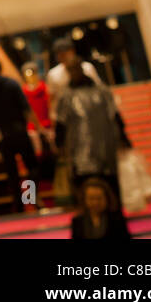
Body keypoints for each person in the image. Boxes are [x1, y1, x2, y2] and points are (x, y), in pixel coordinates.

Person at [54, 60, 122, 201]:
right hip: (79, 151)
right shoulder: (66, 96)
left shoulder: (101, 90)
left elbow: (114, 114)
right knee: (85, 192)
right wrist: (60, 145)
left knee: (110, 190)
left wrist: (123, 138)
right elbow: (60, 123)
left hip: (105, 148)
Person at [0, 58, 38, 204]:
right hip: (19, 130)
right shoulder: (11, 84)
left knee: (11, 170)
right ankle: (31, 198)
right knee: (31, 166)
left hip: (1, 132)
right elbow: (25, 107)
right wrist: (36, 126)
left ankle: (18, 203)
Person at [46, 37, 102, 107]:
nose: (62, 56)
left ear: (72, 51)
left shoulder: (87, 67)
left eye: (65, 52)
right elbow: (52, 97)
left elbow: (98, 87)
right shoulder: (53, 74)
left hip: (89, 106)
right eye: (59, 53)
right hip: (67, 111)